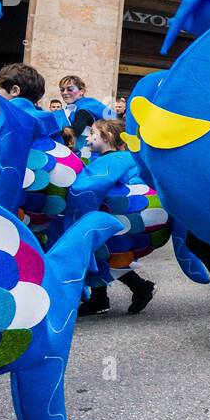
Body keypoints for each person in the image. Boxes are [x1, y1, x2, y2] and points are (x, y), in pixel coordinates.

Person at [73, 118, 158, 317]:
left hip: (111, 216)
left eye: (93, 134)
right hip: (106, 216)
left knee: (105, 256)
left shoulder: (112, 161)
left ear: (108, 136)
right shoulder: (107, 159)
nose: (87, 140)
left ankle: (139, 288)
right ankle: (101, 298)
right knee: (100, 255)